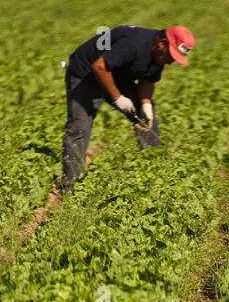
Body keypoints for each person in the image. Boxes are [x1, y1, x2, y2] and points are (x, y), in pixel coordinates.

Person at [59, 24, 195, 193]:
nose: (171, 61)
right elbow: (100, 67)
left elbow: (148, 81)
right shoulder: (133, 45)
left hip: (115, 74)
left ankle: (152, 174)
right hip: (86, 75)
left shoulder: (159, 55)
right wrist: (118, 98)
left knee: (146, 115)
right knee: (79, 129)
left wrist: (145, 103)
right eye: (171, 55)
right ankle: (70, 188)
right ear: (162, 43)